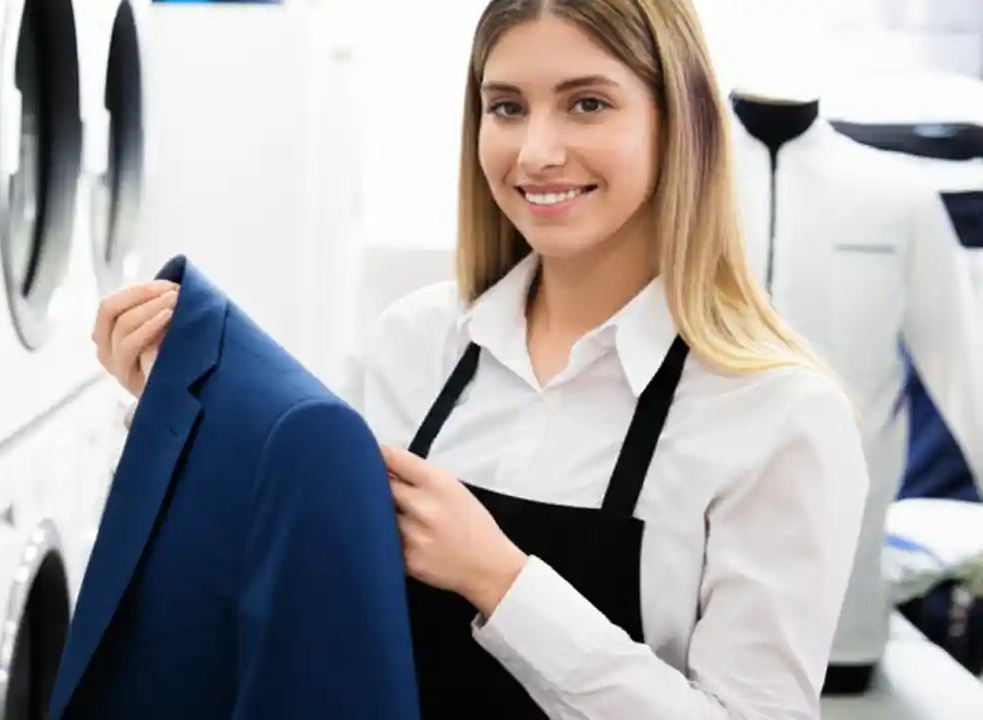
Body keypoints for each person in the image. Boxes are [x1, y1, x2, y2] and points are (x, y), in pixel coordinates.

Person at [92, 0, 869, 717]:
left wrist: (499, 579)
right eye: (507, 107)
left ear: (680, 123)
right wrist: (176, 413)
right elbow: (282, 569)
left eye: (587, 104)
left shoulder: (778, 416)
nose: (536, 152)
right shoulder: (410, 345)